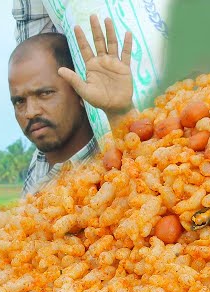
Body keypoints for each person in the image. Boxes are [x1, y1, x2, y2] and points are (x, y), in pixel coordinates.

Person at [10, 15, 134, 196]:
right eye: (19, 101)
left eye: (44, 94)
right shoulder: (40, 164)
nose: (30, 112)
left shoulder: (113, 165)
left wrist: (119, 111)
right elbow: (29, 17)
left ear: (80, 91)